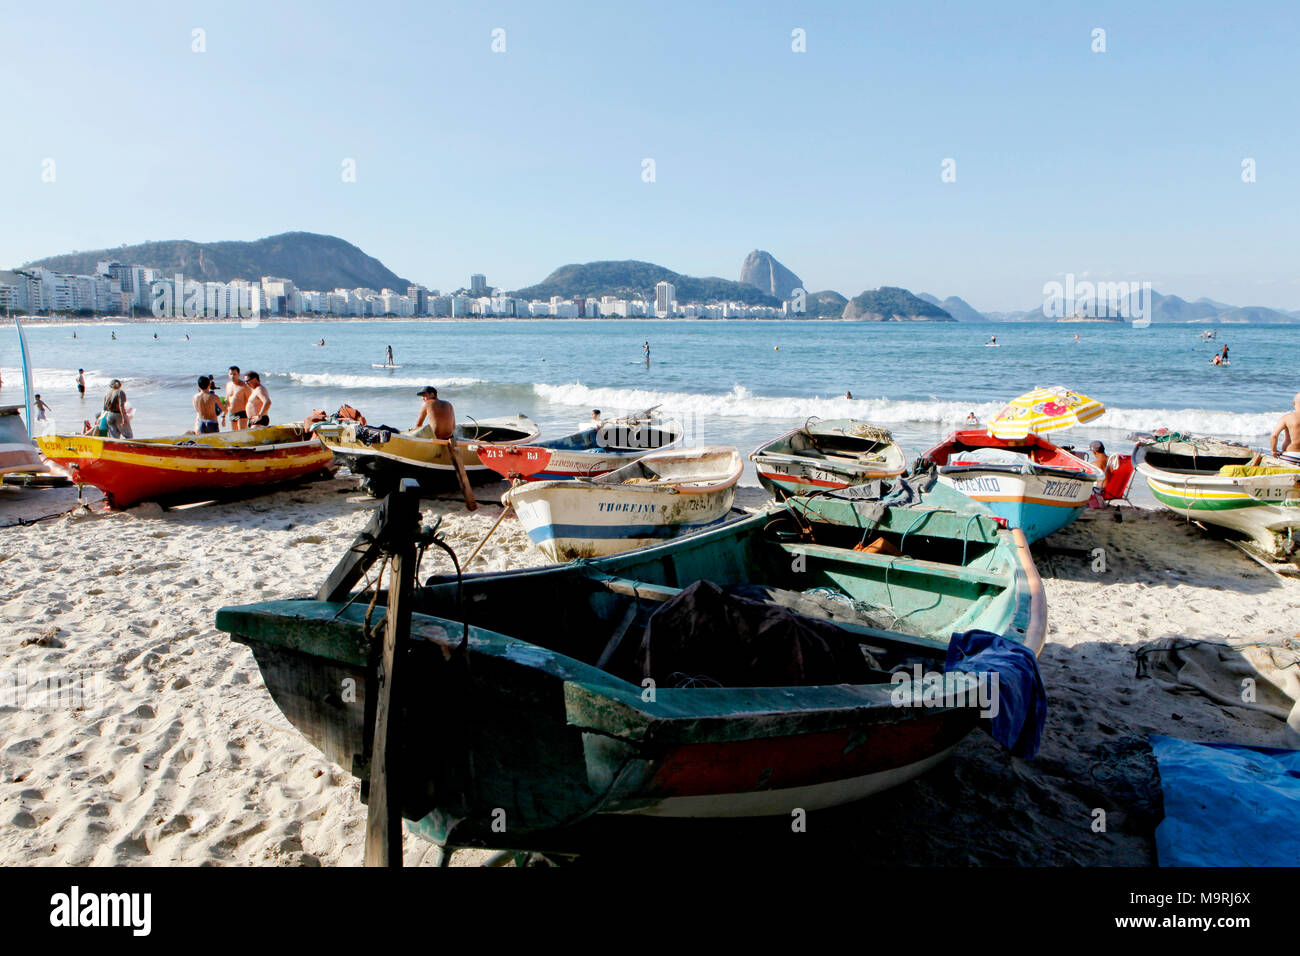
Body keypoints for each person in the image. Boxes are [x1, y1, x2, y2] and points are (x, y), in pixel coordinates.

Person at [1270, 393, 1300, 464]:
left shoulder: (1287, 418)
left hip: (1289, 457)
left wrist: (1274, 451)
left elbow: (1274, 436)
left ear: (1294, 403)